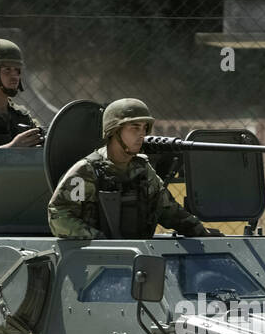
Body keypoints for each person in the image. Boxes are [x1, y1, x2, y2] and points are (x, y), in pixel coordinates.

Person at [47, 98, 221, 239]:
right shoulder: (87, 171)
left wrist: (199, 231)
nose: (142, 135)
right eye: (134, 128)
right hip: (96, 262)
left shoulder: (143, 170)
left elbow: (169, 210)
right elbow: (59, 216)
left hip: (137, 259)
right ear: (113, 131)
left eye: (144, 128)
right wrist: (98, 240)